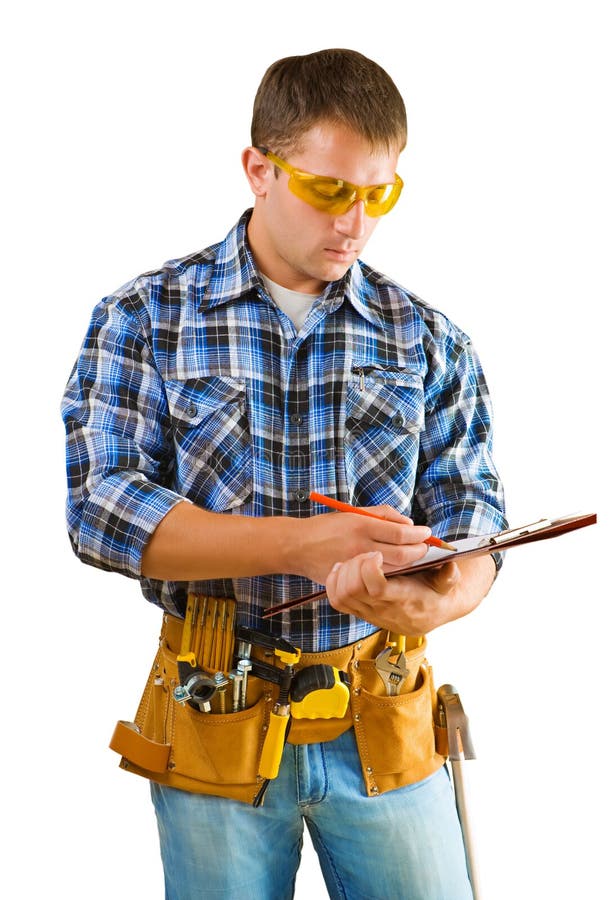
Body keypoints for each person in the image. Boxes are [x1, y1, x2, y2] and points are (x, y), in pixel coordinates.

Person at [62, 48, 506, 900]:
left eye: (380, 194)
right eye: (330, 190)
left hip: (386, 712)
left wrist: (437, 596)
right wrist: (302, 547)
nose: (355, 223)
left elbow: (475, 518)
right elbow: (101, 508)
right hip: (213, 708)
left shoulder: (427, 338)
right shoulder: (144, 318)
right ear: (258, 169)